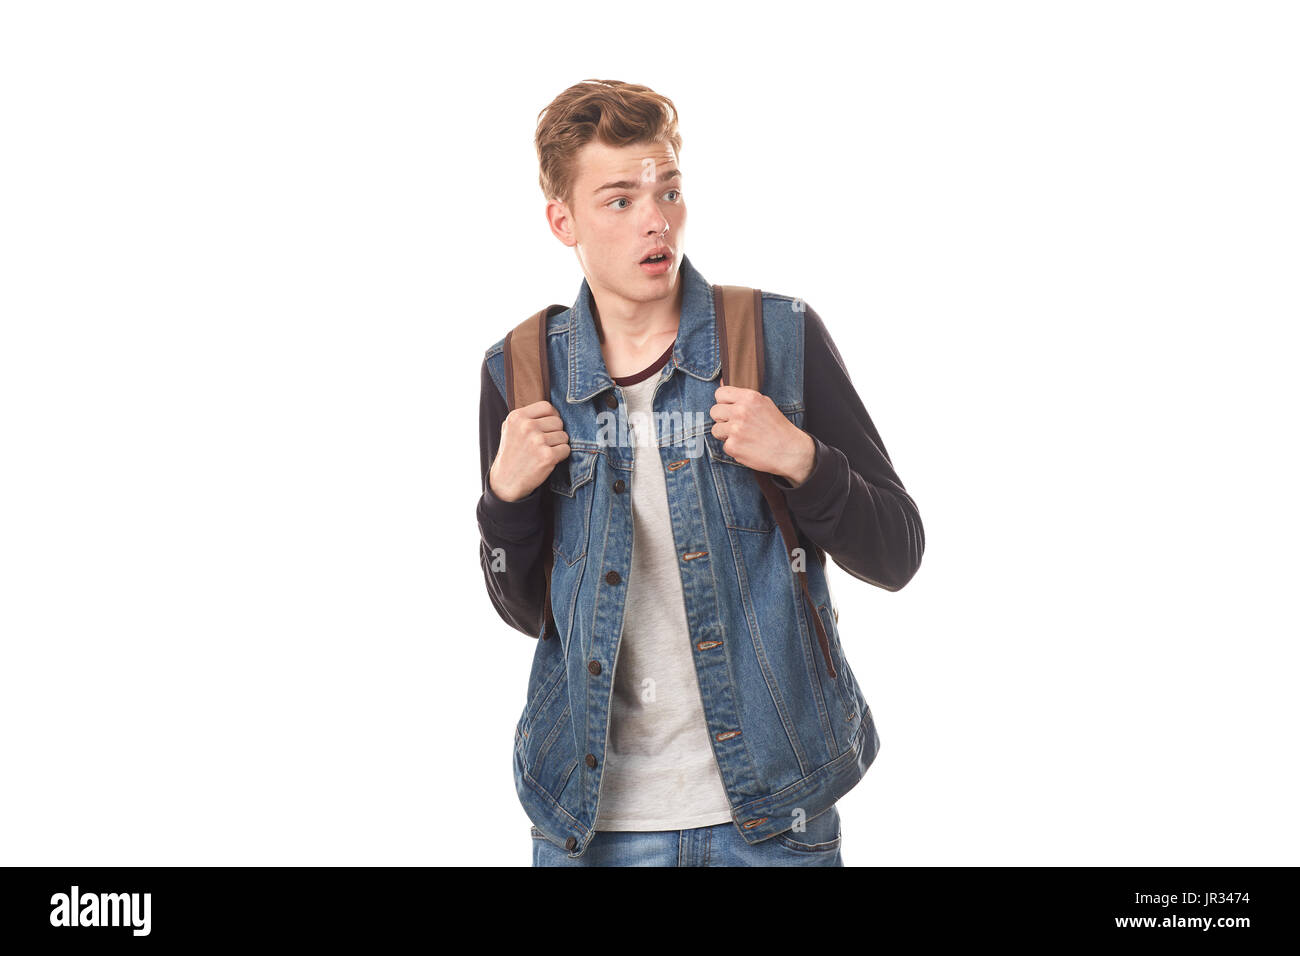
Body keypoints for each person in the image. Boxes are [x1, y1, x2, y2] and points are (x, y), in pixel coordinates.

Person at [476, 79, 924, 867]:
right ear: (562, 221)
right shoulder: (520, 370)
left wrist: (802, 460)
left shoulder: (778, 337)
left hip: (775, 817)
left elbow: (897, 554)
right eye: (619, 200)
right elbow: (527, 612)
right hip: (591, 824)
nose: (655, 220)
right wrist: (505, 502)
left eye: (669, 191)